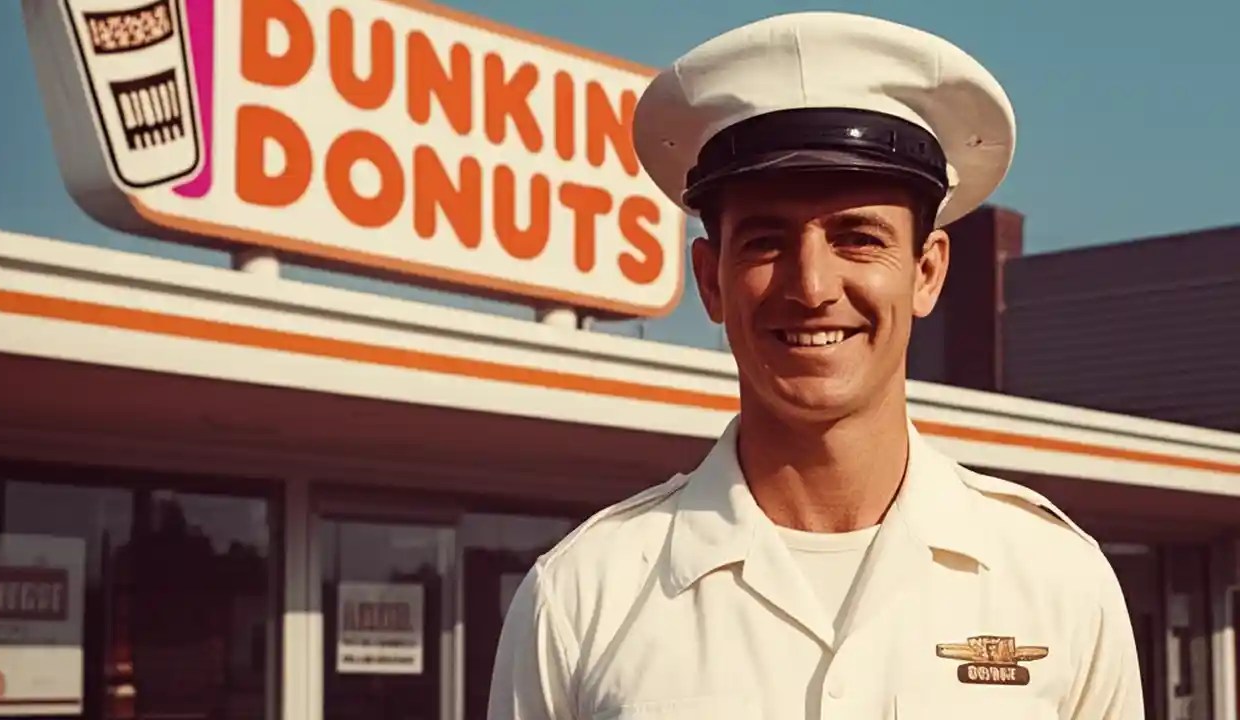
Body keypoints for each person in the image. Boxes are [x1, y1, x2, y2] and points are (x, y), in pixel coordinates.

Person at [488, 11, 1143, 720]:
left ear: (926, 273)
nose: (811, 286)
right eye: (766, 241)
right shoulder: (585, 596)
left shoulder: (1057, 583)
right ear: (711, 280)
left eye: (858, 239)